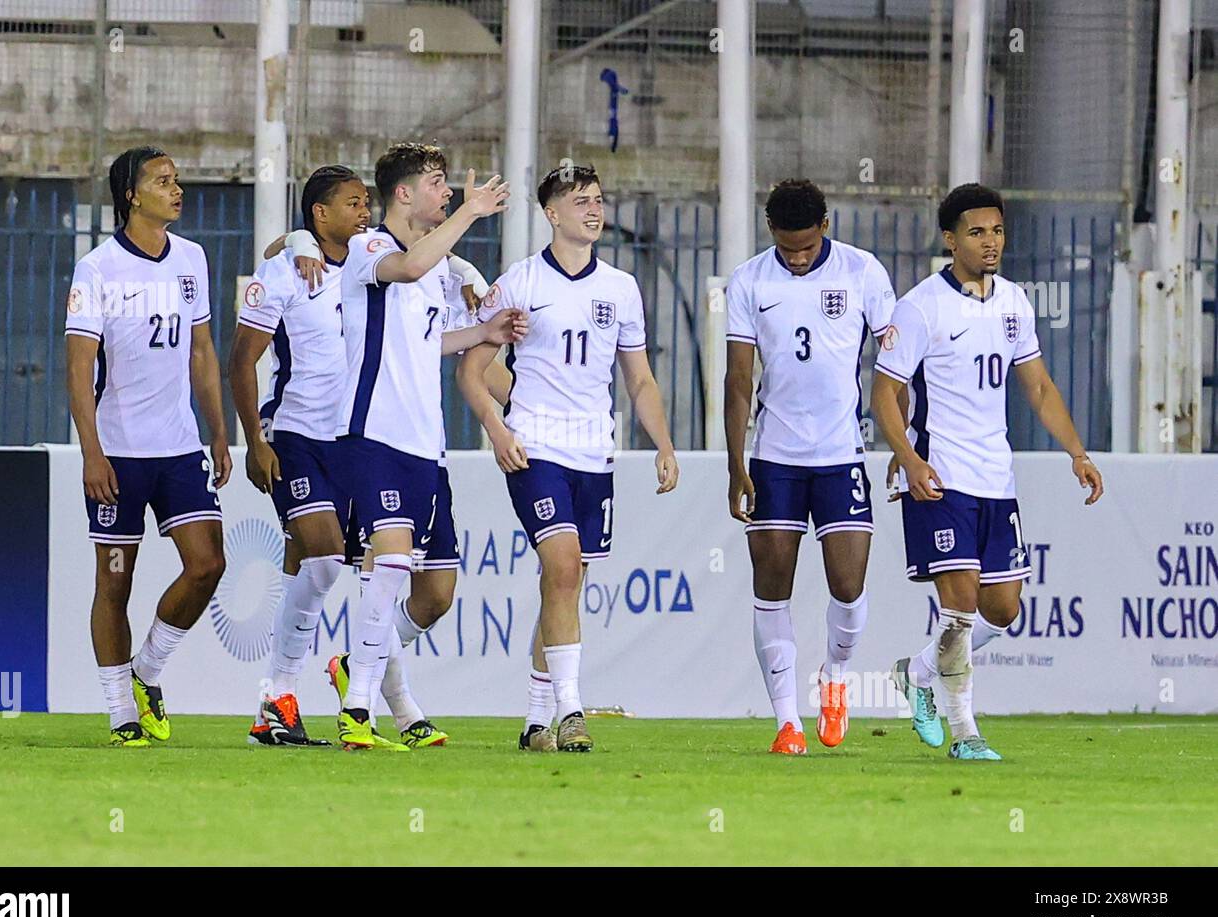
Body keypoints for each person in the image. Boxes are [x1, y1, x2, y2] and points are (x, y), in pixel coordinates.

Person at [871, 183, 1104, 761]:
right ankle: (966, 734)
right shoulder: (920, 305)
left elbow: (1040, 388)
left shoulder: (1013, 304)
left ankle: (917, 671)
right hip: (941, 478)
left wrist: (1077, 451)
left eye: (997, 230)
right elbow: (883, 393)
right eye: (977, 232)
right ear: (950, 240)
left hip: (996, 479)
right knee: (959, 608)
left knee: (1002, 610)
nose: (990, 242)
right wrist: (910, 458)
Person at [458, 164, 679, 753]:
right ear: (551, 214)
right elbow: (471, 370)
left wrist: (662, 443)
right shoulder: (520, 282)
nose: (593, 209)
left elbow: (639, 380)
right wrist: (498, 429)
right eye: (579, 201)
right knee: (561, 567)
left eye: (599, 199)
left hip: (594, 453)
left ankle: (535, 721)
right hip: (535, 446)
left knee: (566, 584)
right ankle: (572, 710)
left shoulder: (620, 288)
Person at [329, 142, 526, 749]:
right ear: (405, 194)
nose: (447, 193)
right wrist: (470, 213)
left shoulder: (436, 264)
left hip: (425, 444)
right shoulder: (371, 248)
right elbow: (408, 269)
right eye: (439, 183)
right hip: (373, 435)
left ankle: (357, 674)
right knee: (388, 563)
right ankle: (364, 707)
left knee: (435, 594)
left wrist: (484, 332)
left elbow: (430, 337)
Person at [65, 146, 231, 747]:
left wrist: (219, 430)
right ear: (131, 195)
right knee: (115, 581)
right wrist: (91, 451)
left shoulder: (192, 259)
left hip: (180, 448)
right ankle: (120, 712)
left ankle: (146, 672)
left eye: (178, 179)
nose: (176, 189)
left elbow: (202, 353)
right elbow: (79, 368)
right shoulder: (99, 270)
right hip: (118, 452)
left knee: (208, 564)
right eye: (163, 181)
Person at [724, 179, 895, 755]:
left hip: (841, 453)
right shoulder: (749, 280)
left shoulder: (863, 272)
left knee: (848, 587)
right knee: (772, 587)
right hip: (774, 457)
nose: (797, 259)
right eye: (786, 247)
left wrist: (907, 444)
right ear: (770, 231)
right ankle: (787, 722)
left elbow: (896, 367)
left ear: (826, 225)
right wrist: (734, 464)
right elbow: (738, 379)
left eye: (806, 247)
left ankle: (835, 679)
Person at [230, 164, 370, 746]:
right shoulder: (287, 270)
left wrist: (463, 270)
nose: (366, 212)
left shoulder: (370, 265)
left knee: (319, 567)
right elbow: (240, 360)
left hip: (357, 441)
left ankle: (272, 710)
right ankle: (282, 692)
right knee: (325, 559)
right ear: (320, 213)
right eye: (354, 203)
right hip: (295, 436)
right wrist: (253, 441)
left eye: (368, 202)